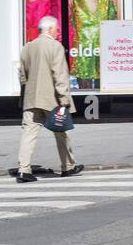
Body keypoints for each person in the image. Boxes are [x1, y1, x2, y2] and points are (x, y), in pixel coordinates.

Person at [16, 16, 83, 182]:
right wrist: (64, 100)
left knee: (28, 133)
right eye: (57, 29)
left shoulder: (27, 47)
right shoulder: (55, 47)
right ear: (50, 29)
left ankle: (23, 170)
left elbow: (22, 76)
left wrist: (25, 96)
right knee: (61, 131)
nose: (58, 32)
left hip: (31, 99)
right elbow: (60, 75)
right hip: (51, 99)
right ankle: (68, 166)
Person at [69, 0, 117, 89]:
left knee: (104, 92)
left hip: (102, 50)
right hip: (83, 52)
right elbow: (69, 24)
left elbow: (112, 24)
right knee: (84, 92)